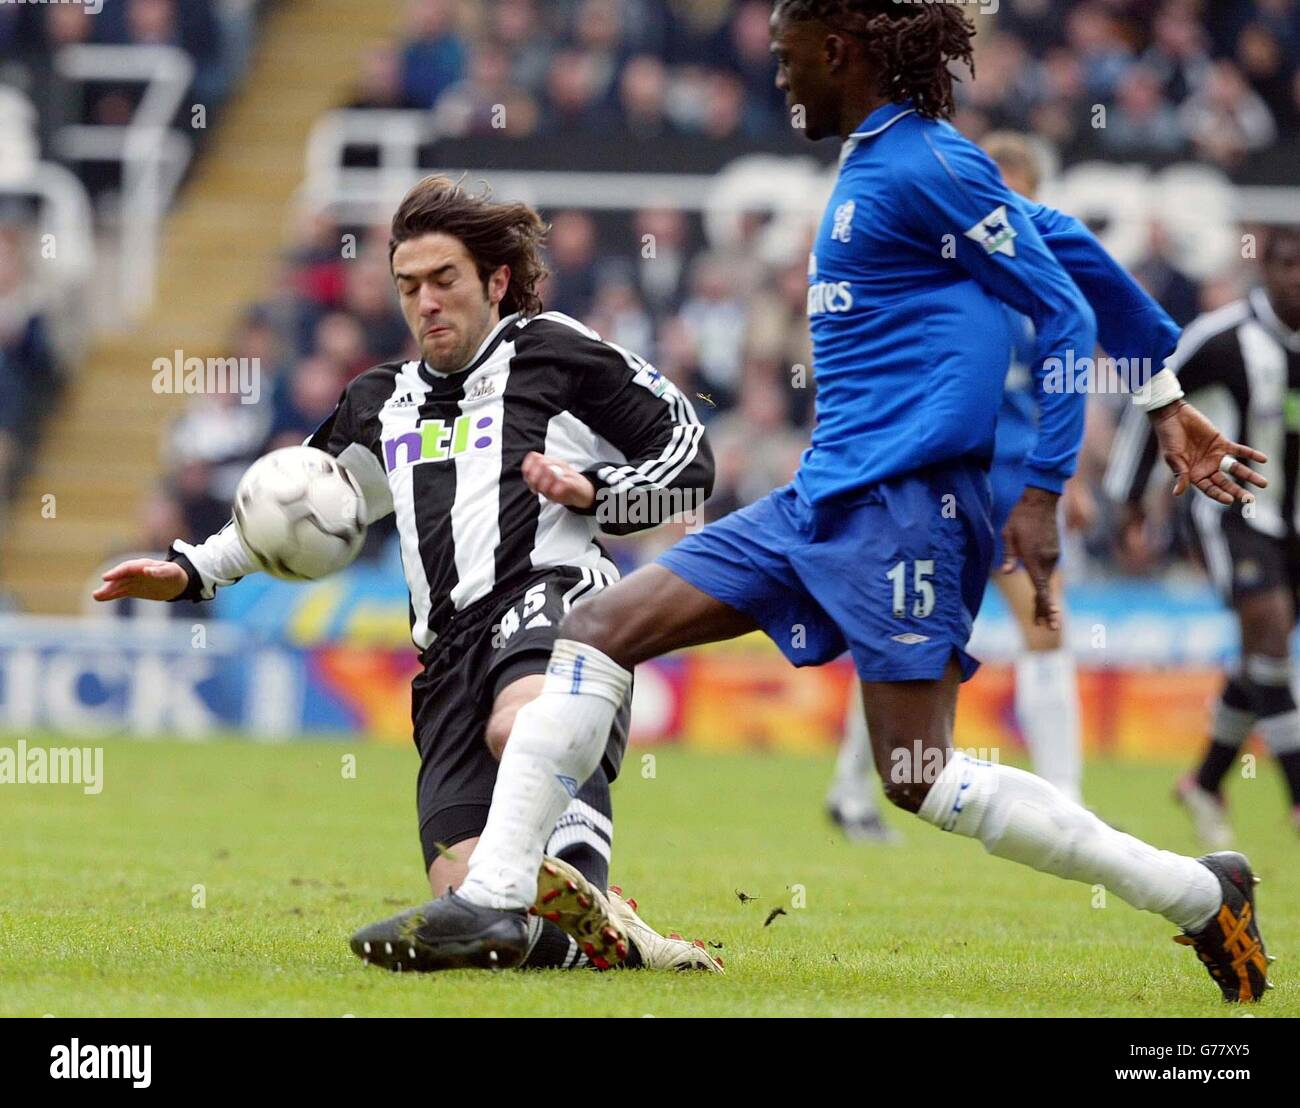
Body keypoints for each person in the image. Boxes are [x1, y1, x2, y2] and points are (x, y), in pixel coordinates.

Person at [360, 2, 1275, 1003]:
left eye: (787, 56)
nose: (779, 77)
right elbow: (1075, 251)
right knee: (596, 629)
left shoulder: (925, 162)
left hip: (908, 510)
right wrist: (1163, 397)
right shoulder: (884, 162)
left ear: (839, 50)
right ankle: (495, 892)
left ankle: (1198, 893)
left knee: (919, 773)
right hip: (818, 499)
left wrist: (1048, 488)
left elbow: (1058, 304)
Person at [93, 176, 721, 974]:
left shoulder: (552, 352)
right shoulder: (379, 403)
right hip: (448, 655)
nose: (425, 302)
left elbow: (687, 456)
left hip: (553, 595)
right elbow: (293, 507)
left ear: (496, 282)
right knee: (480, 914)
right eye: (409, 286)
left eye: (445, 280)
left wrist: (600, 493)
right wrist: (189, 573)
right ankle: (607, 935)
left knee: (521, 724)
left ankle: (578, 881)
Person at [827, 131, 1093, 841]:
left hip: (1015, 478)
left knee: (1046, 624)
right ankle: (851, 790)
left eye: (1014, 197)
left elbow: (1059, 381)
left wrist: (1071, 477)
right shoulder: (936, 271)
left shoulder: (1041, 280)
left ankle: (1066, 798)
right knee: (906, 641)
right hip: (935, 477)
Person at [1107, 227, 1300, 850]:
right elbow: (1155, 398)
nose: (1298, 276)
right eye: (1288, 263)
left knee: (1259, 658)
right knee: (1268, 630)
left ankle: (1206, 781)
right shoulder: (1221, 336)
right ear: (1264, 269)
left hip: (1297, 522)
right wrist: (1130, 499)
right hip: (1234, 512)